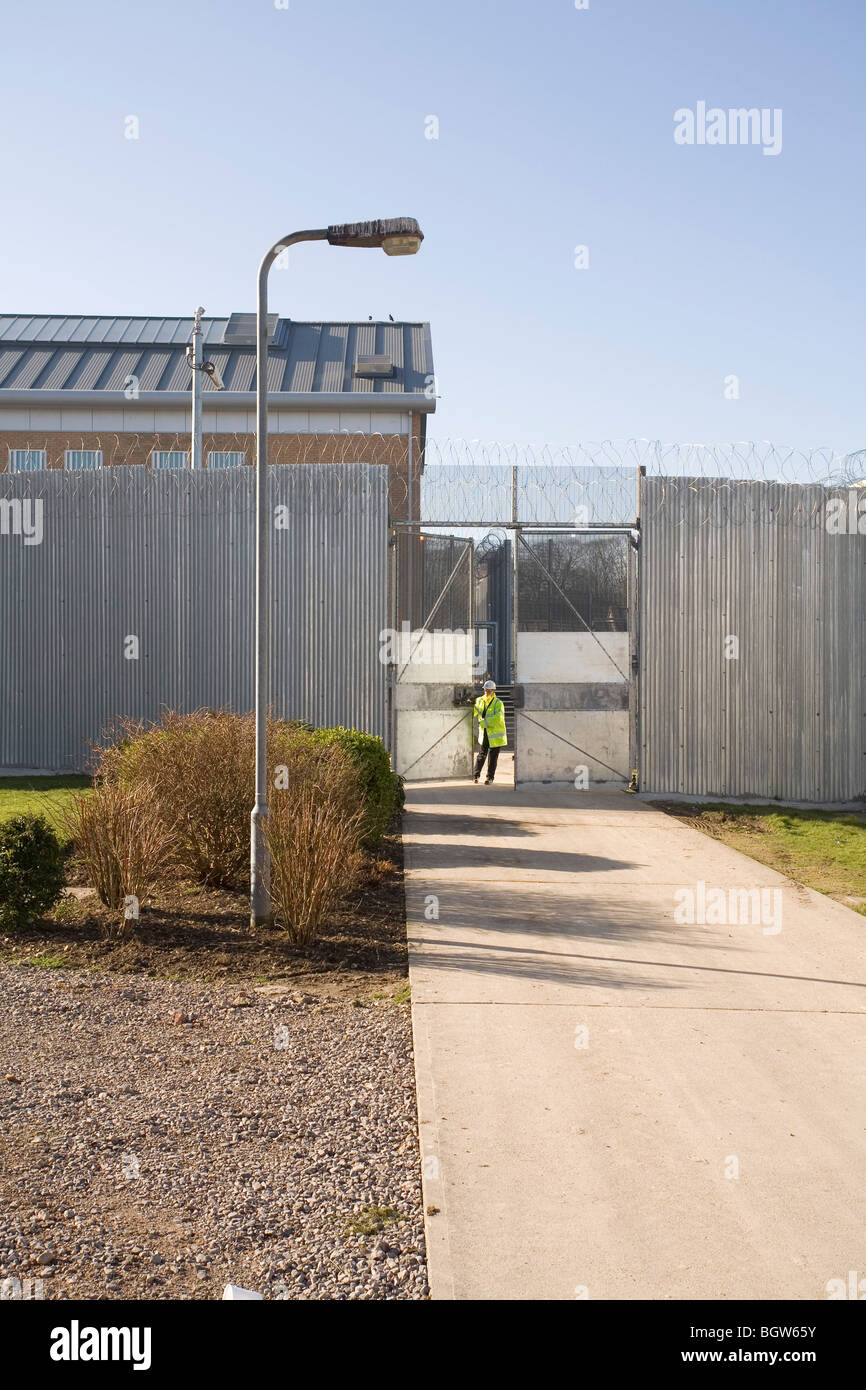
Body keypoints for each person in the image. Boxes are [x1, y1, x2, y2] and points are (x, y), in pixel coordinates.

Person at [473, 680, 507, 784]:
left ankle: (490, 778)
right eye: (485, 690)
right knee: (481, 755)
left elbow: (498, 718)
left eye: (488, 690)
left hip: (496, 736)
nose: (486, 692)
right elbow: (474, 711)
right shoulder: (479, 700)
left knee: (493, 758)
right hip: (485, 734)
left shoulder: (498, 703)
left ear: (494, 691)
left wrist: (484, 723)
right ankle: (475, 775)